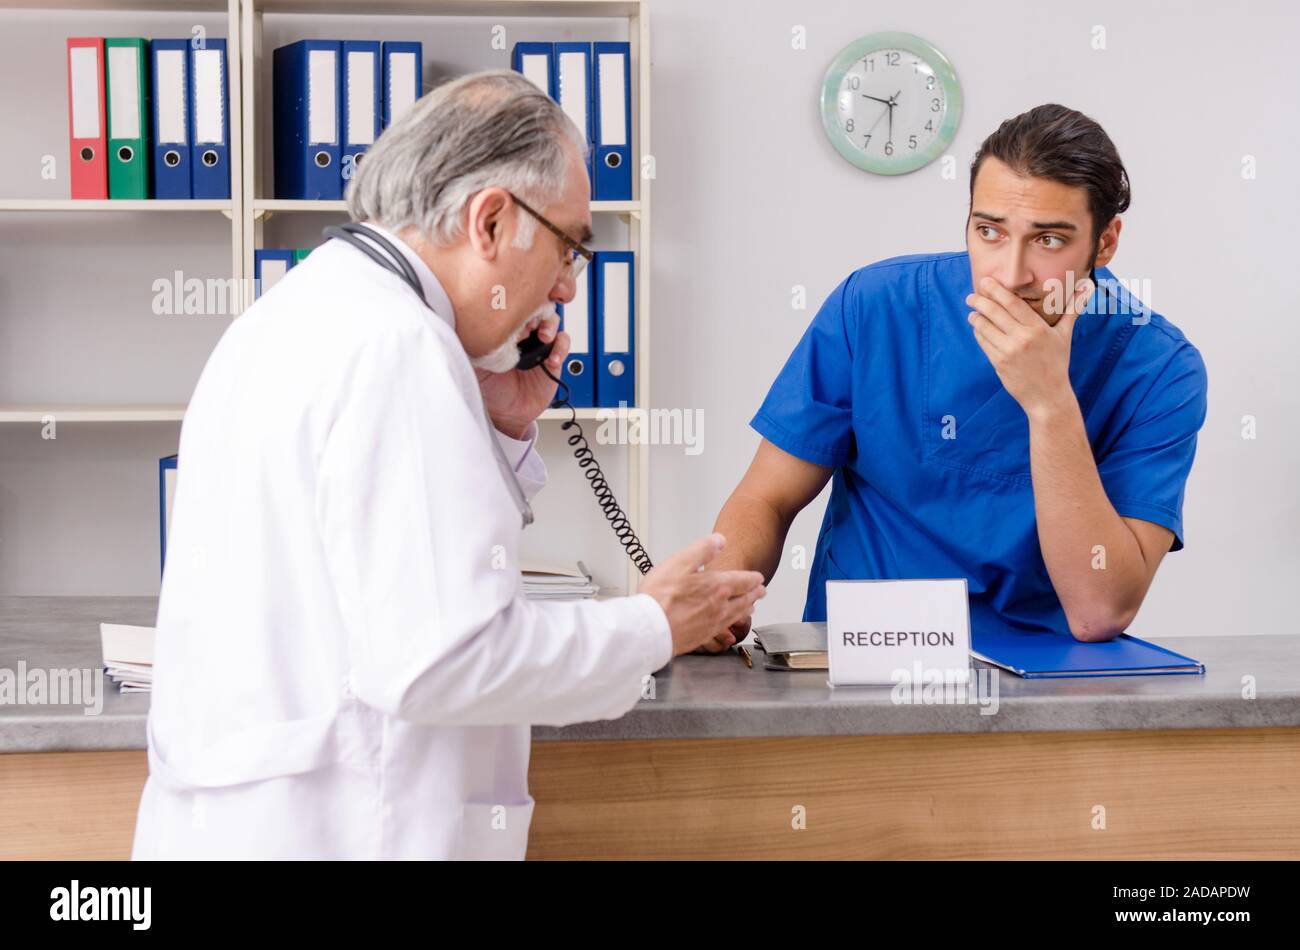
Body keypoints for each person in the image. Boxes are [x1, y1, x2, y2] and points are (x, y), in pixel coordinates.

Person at [132, 70, 765, 859]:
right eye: (571, 244)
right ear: (492, 220)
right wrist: (650, 626)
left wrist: (497, 425)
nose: (568, 286)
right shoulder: (399, 346)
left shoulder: (301, 313)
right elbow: (441, 661)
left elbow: (381, 577)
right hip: (347, 827)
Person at [702, 103, 1206, 652]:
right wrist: (718, 596)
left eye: (1049, 240)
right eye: (989, 231)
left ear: (1105, 242)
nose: (1011, 275)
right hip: (860, 661)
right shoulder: (876, 305)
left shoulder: (1160, 368)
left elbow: (1098, 610)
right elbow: (766, 498)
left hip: (1046, 680)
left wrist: (1050, 403)